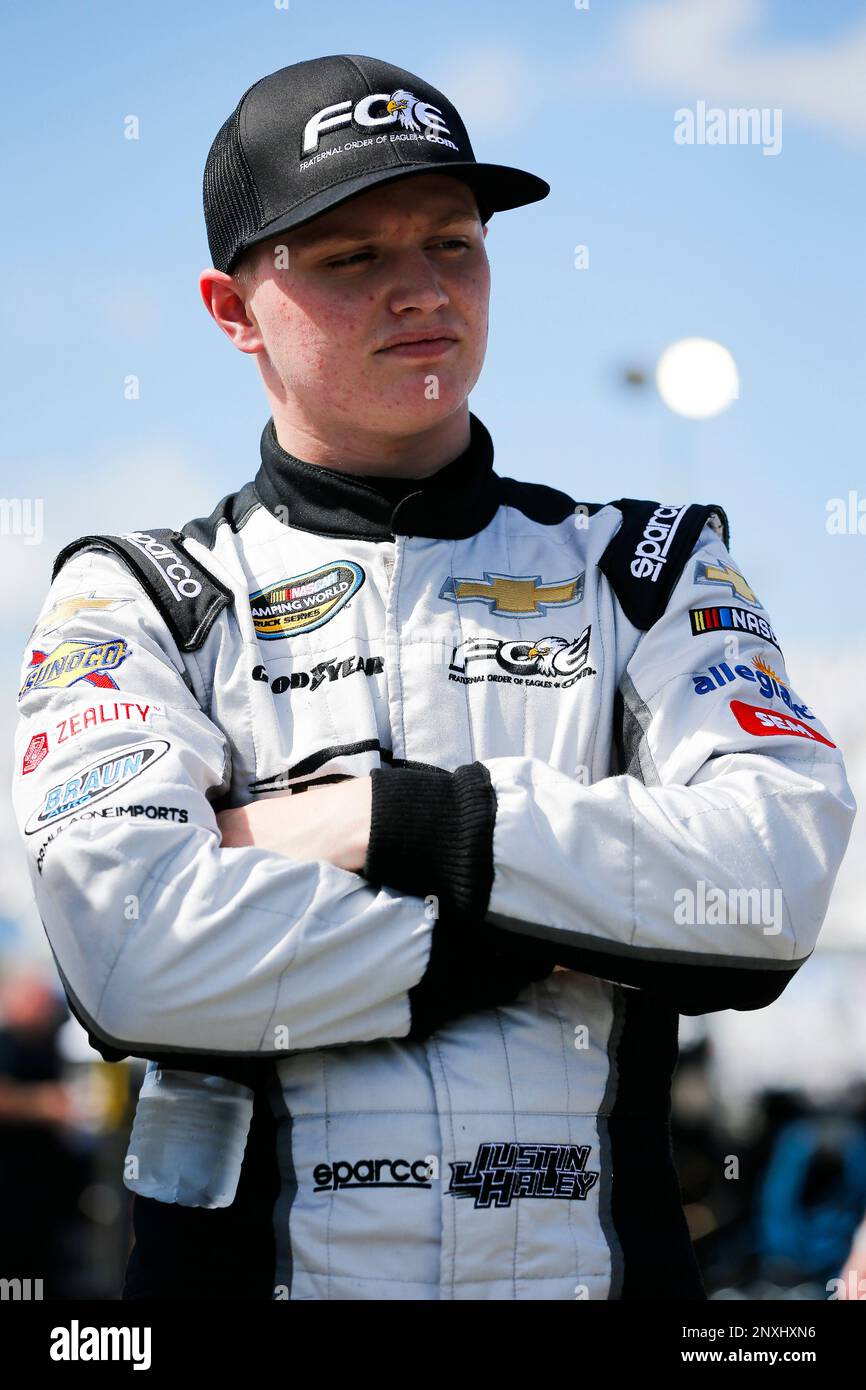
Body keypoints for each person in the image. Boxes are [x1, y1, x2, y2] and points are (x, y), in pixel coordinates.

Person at [11, 53, 855, 1302]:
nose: (419, 290)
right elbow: (131, 949)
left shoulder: (646, 566)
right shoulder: (140, 595)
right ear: (232, 310)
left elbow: (768, 880)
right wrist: (528, 930)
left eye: (452, 242)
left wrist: (391, 821)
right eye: (351, 257)